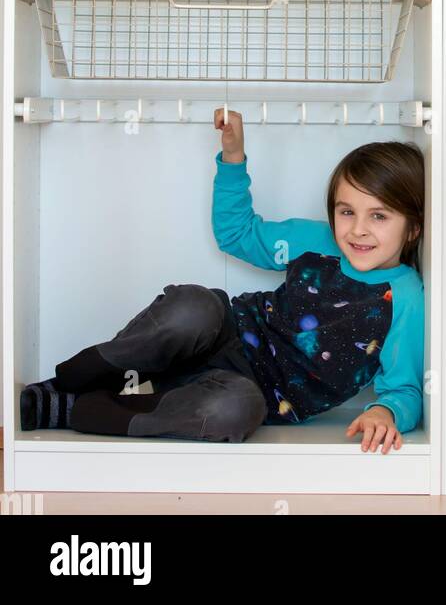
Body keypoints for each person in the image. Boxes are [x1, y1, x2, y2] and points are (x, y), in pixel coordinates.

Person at [20, 110, 425, 451]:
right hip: (220, 334)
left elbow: (403, 389)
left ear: (413, 229)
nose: (357, 230)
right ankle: (74, 378)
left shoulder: (404, 296)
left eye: (379, 216)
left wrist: (384, 413)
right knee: (194, 306)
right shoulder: (316, 241)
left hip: (251, 392)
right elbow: (238, 233)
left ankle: (76, 410)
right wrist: (233, 156)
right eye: (346, 211)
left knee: (232, 411)